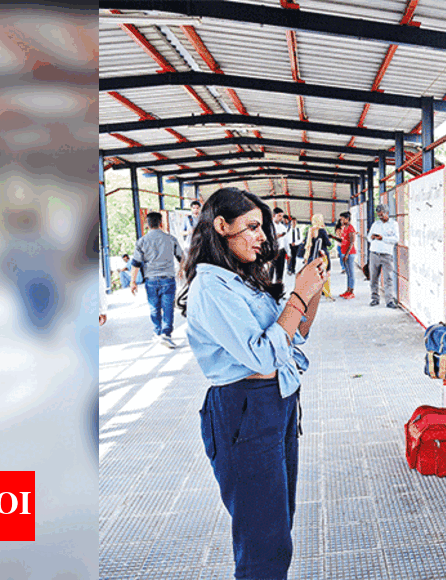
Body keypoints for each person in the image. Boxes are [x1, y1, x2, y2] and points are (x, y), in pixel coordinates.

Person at [178, 187, 327, 580]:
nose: (262, 236)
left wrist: (311, 290)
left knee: (277, 527)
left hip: (275, 401)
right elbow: (261, 356)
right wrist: (298, 295)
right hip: (244, 409)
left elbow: (295, 333)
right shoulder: (211, 287)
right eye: (252, 227)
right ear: (221, 226)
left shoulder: (242, 280)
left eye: (262, 228)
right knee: (263, 540)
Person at [130, 212, 184, 349]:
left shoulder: (142, 241)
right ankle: (166, 334)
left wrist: (132, 281)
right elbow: (182, 257)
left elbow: (136, 263)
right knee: (168, 308)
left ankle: (157, 331)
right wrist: (181, 270)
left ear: (147, 224)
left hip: (151, 280)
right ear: (161, 223)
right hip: (168, 279)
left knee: (154, 308)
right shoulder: (170, 239)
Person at [367, 205, 399, 308]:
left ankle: (389, 301)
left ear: (387, 213)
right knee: (373, 278)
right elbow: (368, 237)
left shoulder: (393, 224)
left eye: (382, 215)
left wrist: (383, 238)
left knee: (388, 279)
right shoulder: (375, 224)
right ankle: (375, 298)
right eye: (378, 215)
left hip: (387, 255)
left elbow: (396, 239)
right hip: (374, 254)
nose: (380, 217)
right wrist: (372, 237)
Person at [307, 214, 334, 301]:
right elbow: (328, 244)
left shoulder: (311, 230)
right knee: (326, 274)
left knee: (315, 276)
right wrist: (328, 236)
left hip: (313, 256)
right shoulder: (322, 231)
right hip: (323, 255)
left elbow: (308, 245)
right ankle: (328, 295)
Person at [337, 212, 356, 299]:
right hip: (344, 252)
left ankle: (351, 292)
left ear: (347, 219)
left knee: (351, 273)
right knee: (348, 273)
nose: (341, 220)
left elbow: (352, 242)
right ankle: (348, 290)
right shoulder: (344, 228)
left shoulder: (351, 228)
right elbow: (343, 241)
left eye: (342, 219)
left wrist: (347, 254)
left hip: (350, 254)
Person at [272, 207, 289, 282]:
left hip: (281, 251)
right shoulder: (268, 226)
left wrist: (288, 253)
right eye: (279, 216)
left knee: (280, 272)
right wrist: (277, 236)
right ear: (274, 215)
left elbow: (286, 241)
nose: (281, 218)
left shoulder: (283, 228)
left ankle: (278, 286)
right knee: (270, 271)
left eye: (282, 216)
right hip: (271, 250)